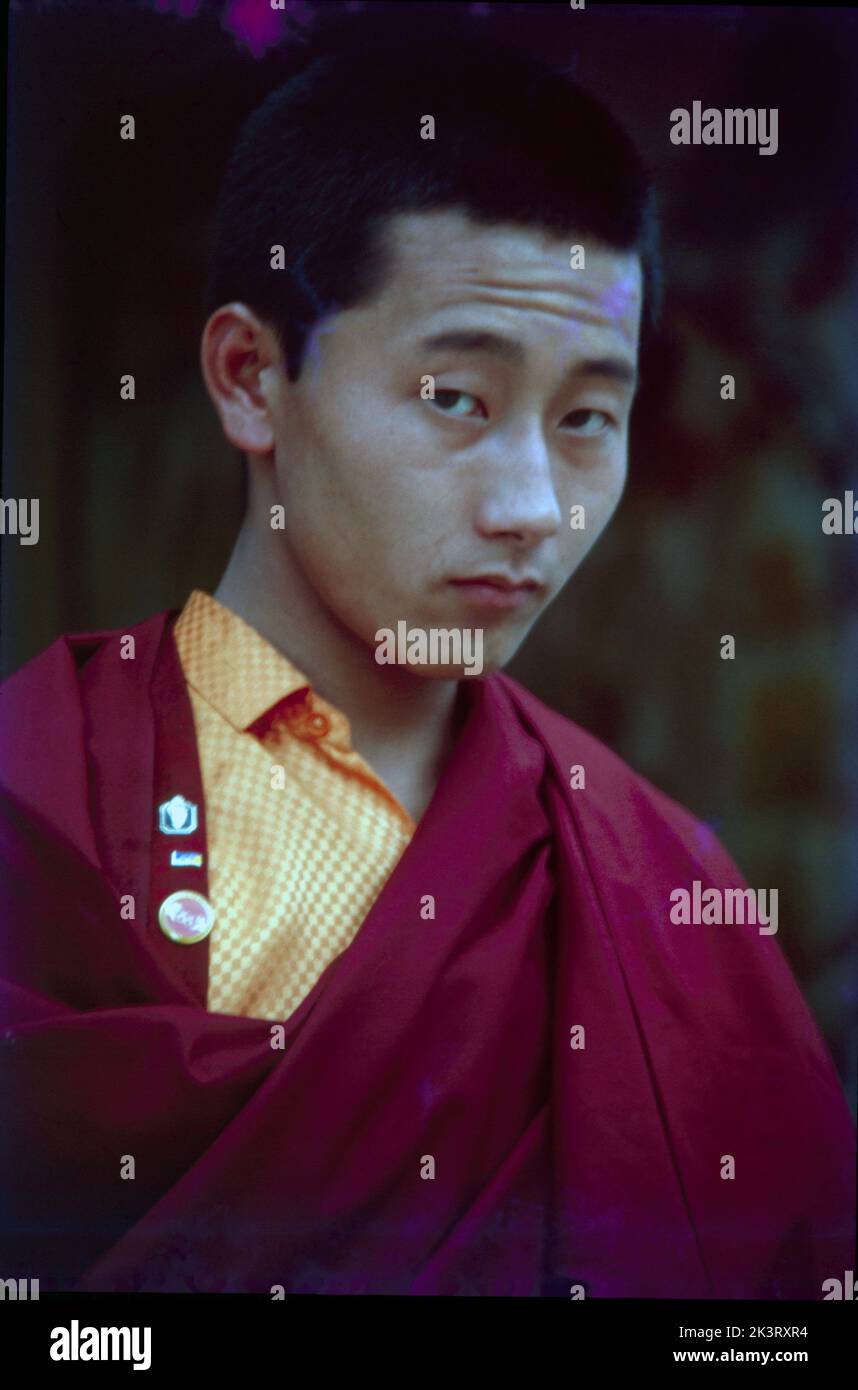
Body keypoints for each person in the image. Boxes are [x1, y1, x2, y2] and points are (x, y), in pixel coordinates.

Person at [0, 30, 853, 1298]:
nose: (530, 506)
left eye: (586, 421)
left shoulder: (660, 887)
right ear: (250, 379)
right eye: (456, 397)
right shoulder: (35, 795)